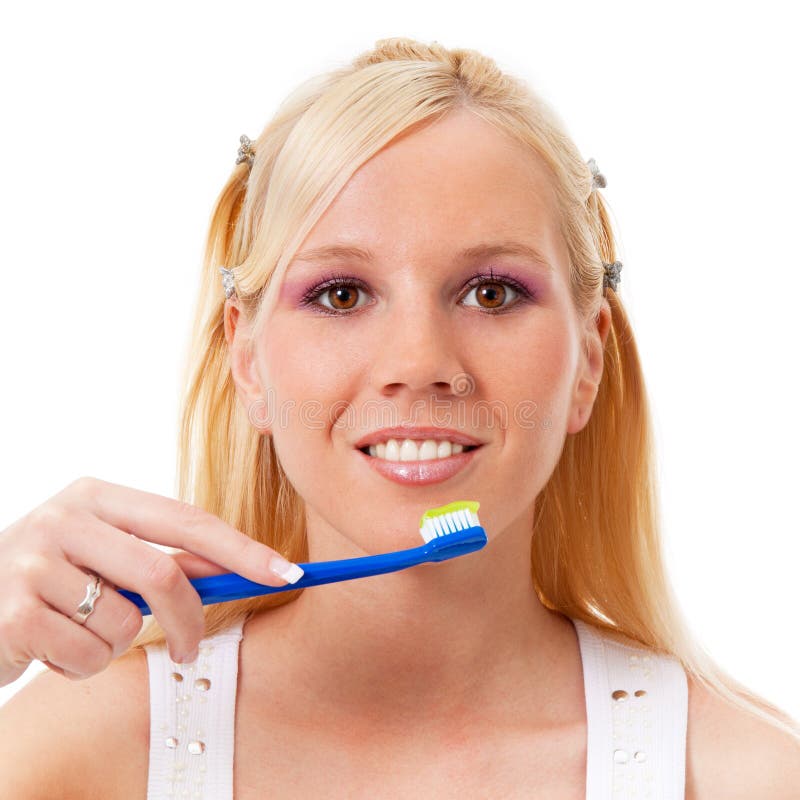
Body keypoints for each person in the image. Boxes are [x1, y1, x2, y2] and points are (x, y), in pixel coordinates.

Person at [1, 37, 798, 799]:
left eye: (491, 292)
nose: (418, 361)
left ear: (589, 359)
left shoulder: (743, 778)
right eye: (341, 294)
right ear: (248, 361)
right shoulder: (77, 746)